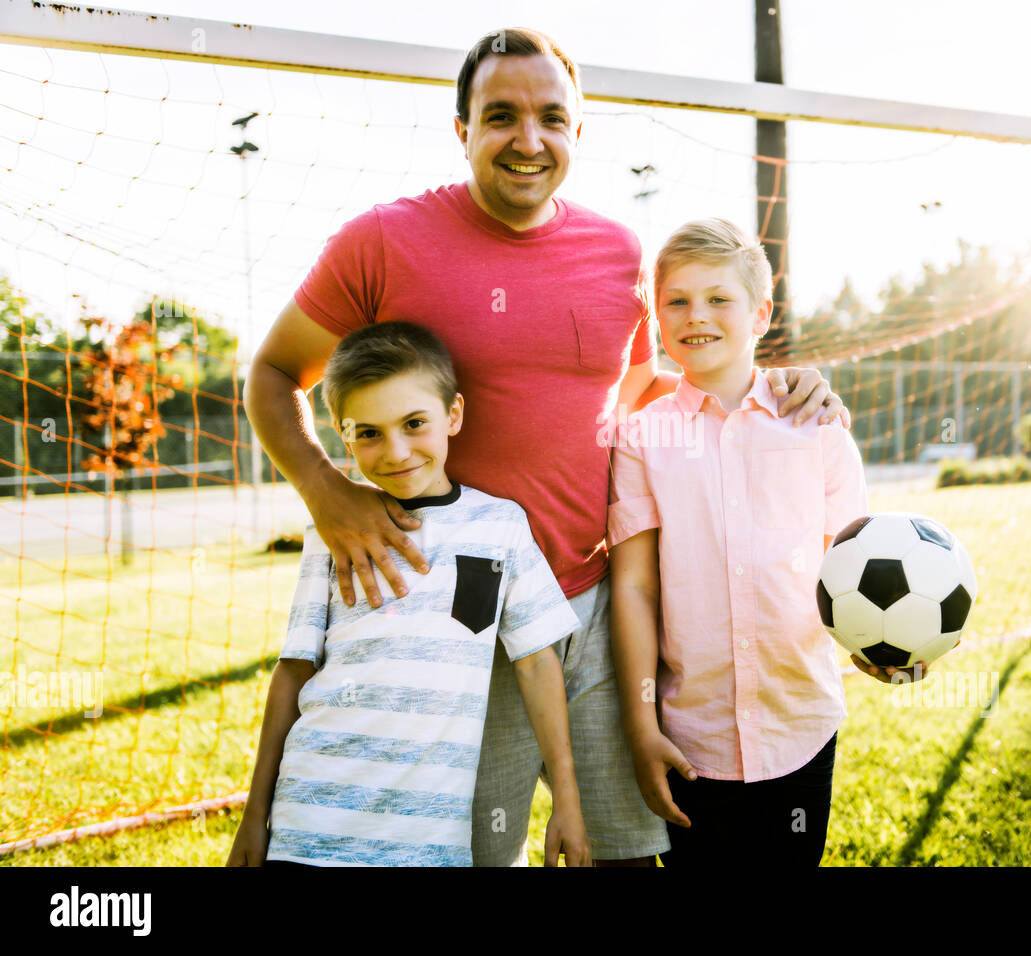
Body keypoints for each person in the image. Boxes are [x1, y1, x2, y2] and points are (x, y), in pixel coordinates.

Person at [243, 27, 848, 866]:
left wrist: (773, 385)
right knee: (481, 852)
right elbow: (273, 372)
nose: (528, 140)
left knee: (628, 849)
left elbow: (649, 394)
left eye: (551, 118)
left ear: (577, 131)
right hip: (462, 609)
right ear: (462, 129)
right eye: (501, 116)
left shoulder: (618, 255)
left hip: (595, 595)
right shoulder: (382, 241)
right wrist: (327, 491)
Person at [607, 219, 930, 867]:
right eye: (677, 300)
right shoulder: (641, 439)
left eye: (719, 298)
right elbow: (635, 587)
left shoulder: (818, 428)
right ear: (658, 317)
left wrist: (880, 647)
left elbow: (852, 568)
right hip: (691, 740)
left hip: (800, 725)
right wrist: (642, 727)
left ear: (761, 313)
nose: (696, 315)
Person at [227, 322, 590, 867]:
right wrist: (254, 817)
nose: (395, 451)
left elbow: (537, 664)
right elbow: (294, 671)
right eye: (369, 433)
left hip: (429, 842)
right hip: (309, 825)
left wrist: (567, 797)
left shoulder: (499, 526)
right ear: (342, 436)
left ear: (454, 415)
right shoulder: (334, 534)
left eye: (414, 423)